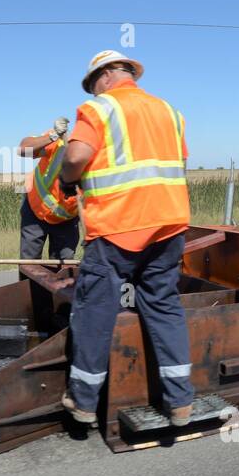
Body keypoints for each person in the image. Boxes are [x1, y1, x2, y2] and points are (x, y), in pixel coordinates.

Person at [55, 50, 195, 427]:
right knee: (163, 304)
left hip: (119, 226)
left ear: (103, 77)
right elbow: (176, 162)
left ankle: (84, 400)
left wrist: (68, 178)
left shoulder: (98, 109)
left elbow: (77, 156)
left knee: (94, 308)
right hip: (169, 224)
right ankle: (180, 401)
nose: (93, 89)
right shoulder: (169, 111)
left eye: (91, 83)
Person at [17, 119, 80, 265]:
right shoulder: (57, 143)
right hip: (35, 210)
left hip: (67, 219)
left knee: (64, 269)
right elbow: (23, 149)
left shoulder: (98, 158)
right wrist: (53, 135)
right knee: (29, 267)